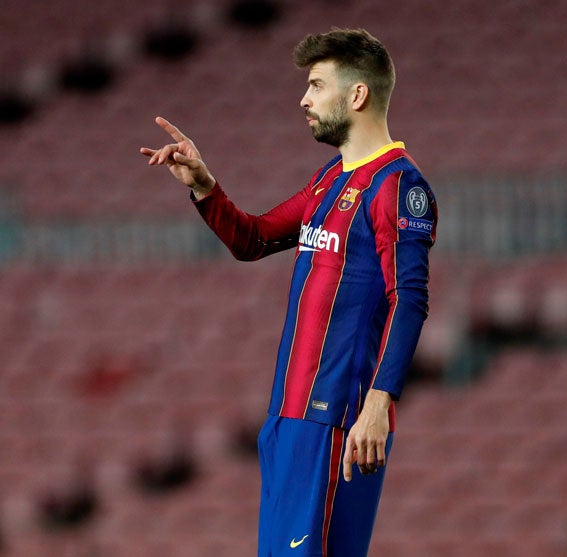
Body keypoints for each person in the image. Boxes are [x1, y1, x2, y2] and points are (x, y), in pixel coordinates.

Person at [140, 28, 437, 557]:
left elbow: (408, 299)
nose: (304, 98)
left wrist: (377, 405)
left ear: (358, 95)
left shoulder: (397, 185)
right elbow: (252, 239)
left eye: (317, 85)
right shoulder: (331, 180)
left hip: (335, 418)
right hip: (288, 416)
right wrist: (204, 185)